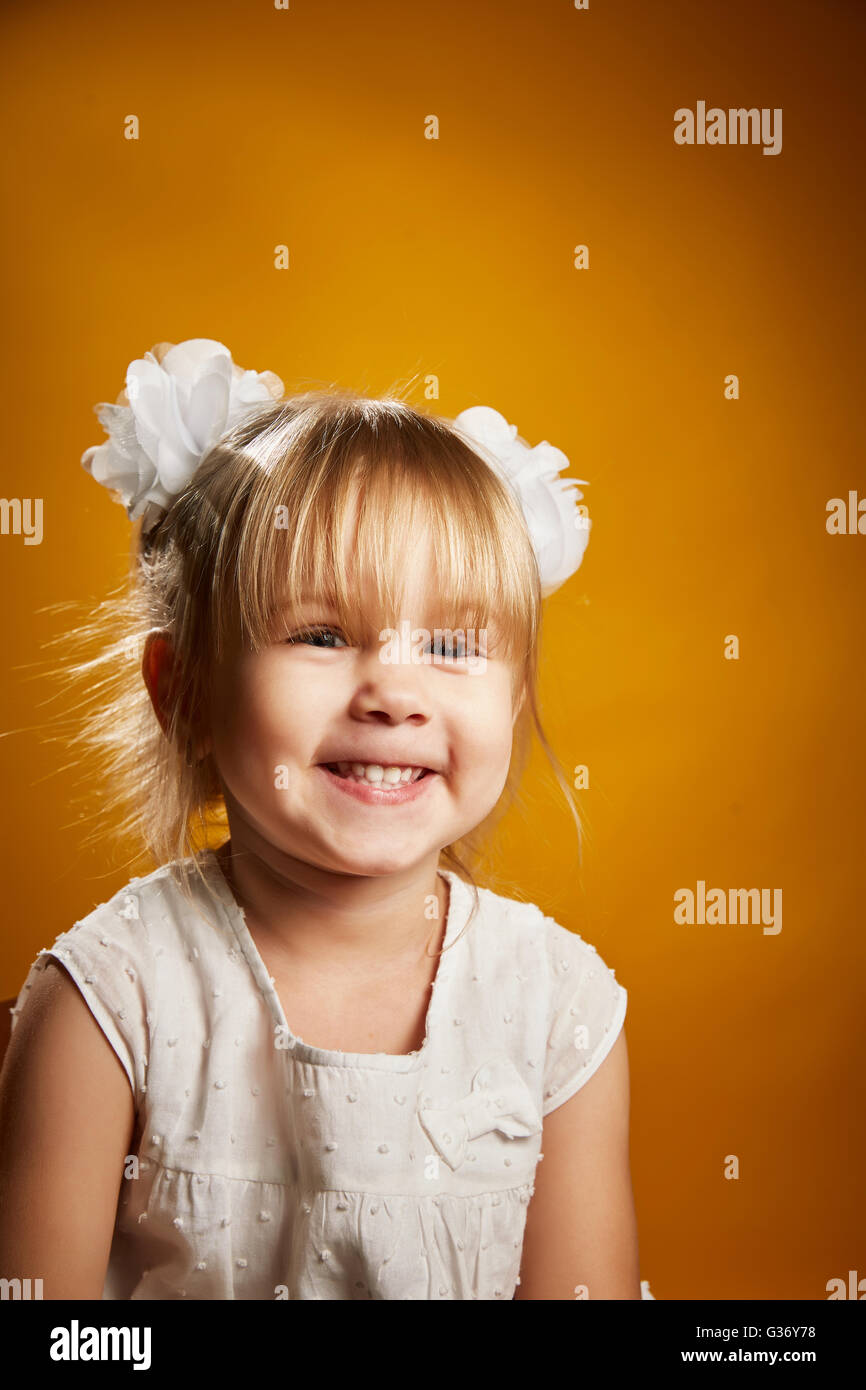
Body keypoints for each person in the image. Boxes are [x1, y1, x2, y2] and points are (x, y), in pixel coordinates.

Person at [0, 338, 651, 1300]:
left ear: (511, 707)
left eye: (450, 644)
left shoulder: (555, 1006)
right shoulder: (111, 1000)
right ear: (184, 692)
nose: (394, 689)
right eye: (321, 634)